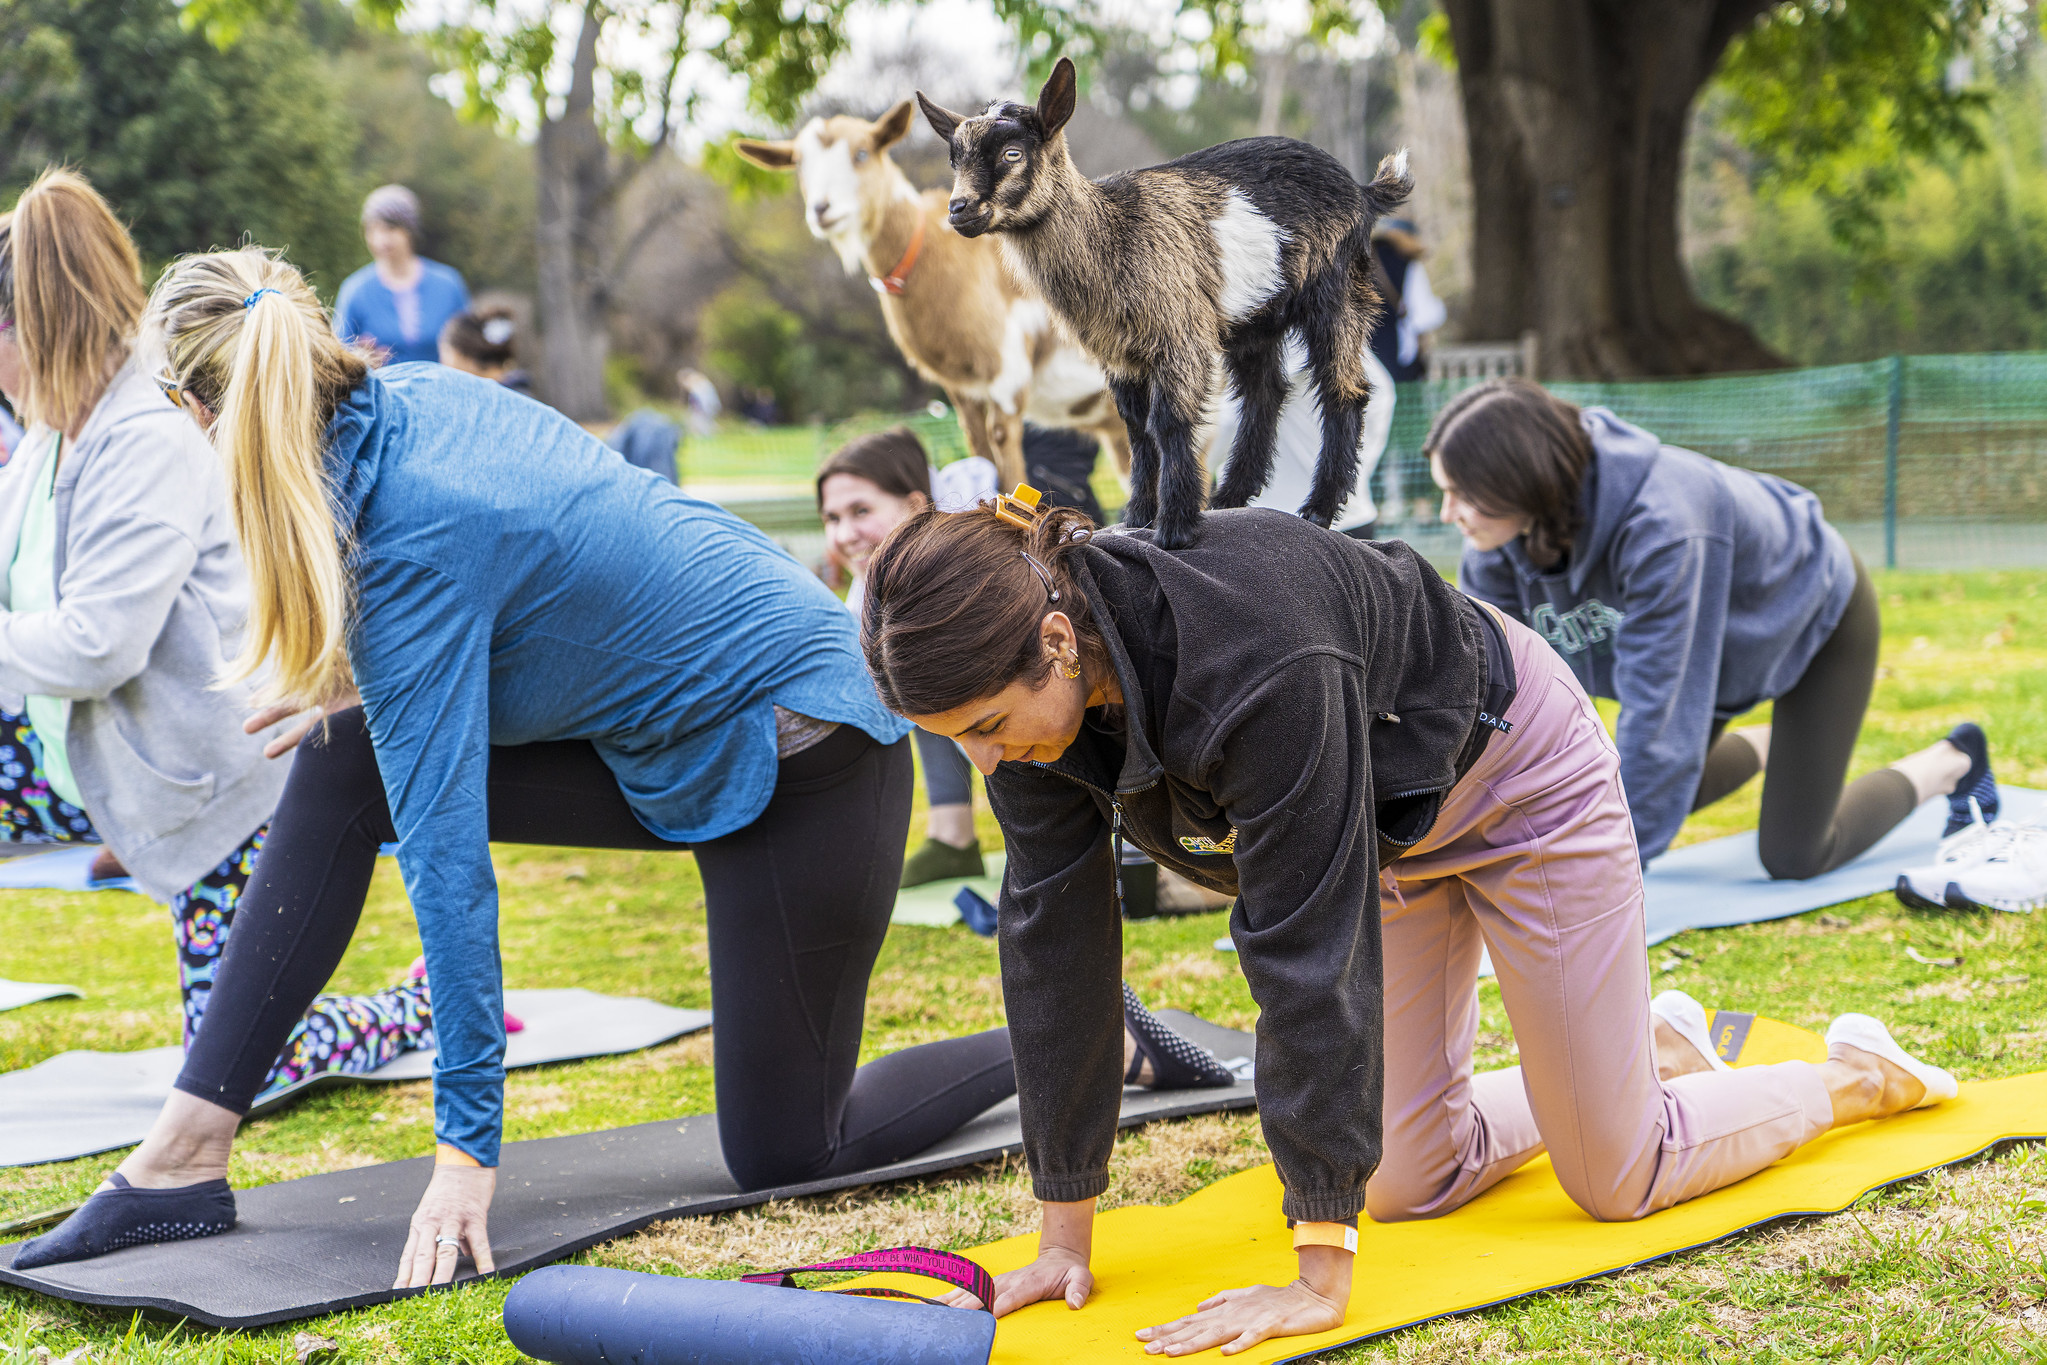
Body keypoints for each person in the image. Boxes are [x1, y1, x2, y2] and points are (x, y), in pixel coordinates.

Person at [20, 245, 1225, 1284]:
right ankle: (186, 1150)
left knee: (790, 1151)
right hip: (676, 741)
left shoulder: (414, 520)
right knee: (348, 758)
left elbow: (449, 869)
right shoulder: (401, 410)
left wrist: (466, 1153)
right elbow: (553, 596)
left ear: (200, 415)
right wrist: (354, 682)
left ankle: (1087, 1039)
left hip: (812, 756)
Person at [860, 494, 1956, 1357]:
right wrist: (1062, 1234)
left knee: (1618, 1177)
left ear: (1057, 638)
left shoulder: (1255, 656)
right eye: (956, 740)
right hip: (1381, 826)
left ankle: (1853, 1076)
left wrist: (1316, 1276)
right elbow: (1053, 951)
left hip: (1518, 779)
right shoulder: (1029, 717)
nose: (985, 760)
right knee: (1402, 1183)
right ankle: (1651, 1048)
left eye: (987, 725)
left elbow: (1304, 954)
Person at [0, 171, 432, 1280]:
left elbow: (99, 641)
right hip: (89, 756)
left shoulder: (142, 433)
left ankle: (412, 1009)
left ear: (26, 332)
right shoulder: (48, 439)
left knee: (245, 1065)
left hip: (224, 780)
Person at [1430, 377, 1998, 878]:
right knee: (1596, 797)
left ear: (1521, 481)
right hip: (1707, 652)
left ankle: (1954, 760)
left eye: (1461, 494)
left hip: (1812, 612)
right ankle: (1784, 745)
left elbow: (1660, 722)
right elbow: (1506, 698)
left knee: (1795, 855)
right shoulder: (1494, 544)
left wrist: (1600, 877)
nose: (1445, 513)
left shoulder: (1665, 526)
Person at [817, 428, 997, 885]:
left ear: (916, 505)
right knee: (907, 678)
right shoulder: (876, 588)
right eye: (831, 518)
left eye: (861, 511)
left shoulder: (974, 572)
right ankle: (952, 837)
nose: (845, 534)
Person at [1207, 339, 1395, 539]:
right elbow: (1381, 394)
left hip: (1271, 518)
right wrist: (1354, 469)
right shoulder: (1344, 340)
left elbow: (1228, 425)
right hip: (1351, 517)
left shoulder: (1259, 344)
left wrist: (1203, 469)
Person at [332, 185, 470, 367]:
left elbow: (472, 349)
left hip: (443, 384)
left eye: (390, 229)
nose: (381, 240)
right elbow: (337, 359)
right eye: (372, 230)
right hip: (381, 385)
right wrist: (361, 361)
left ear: (410, 230)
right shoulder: (355, 290)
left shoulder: (448, 285)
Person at [1366, 216, 1445, 384]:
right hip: (1396, 352)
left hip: (1363, 350)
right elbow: (1422, 316)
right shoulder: (1407, 264)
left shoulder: (1362, 260)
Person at [438, 306, 537, 401]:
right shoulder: (521, 396)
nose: (442, 366)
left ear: (464, 358)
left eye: (446, 357)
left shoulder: (484, 402)